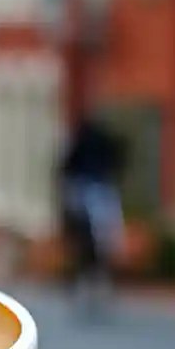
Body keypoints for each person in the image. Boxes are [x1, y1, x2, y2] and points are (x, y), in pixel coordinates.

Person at [59, 116, 124, 316]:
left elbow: (66, 168)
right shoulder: (101, 148)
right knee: (101, 240)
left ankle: (92, 285)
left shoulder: (81, 147)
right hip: (96, 190)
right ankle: (96, 284)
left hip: (89, 191)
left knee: (91, 243)